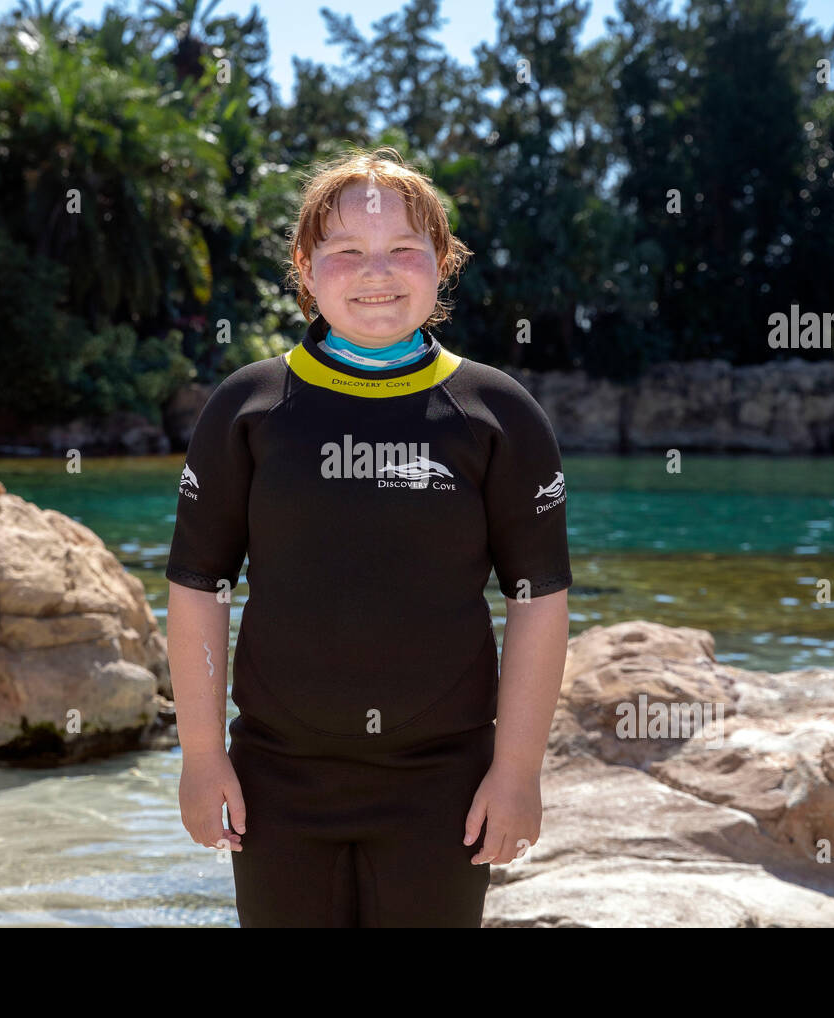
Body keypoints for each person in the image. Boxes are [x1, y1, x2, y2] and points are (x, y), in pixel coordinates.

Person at [165, 146, 572, 927]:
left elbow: (538, 600)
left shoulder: (498, 412)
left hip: (442, 784)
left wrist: (517, 770)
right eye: (346, 251)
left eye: (403, 251)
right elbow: (197, 587)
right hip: (277, 780)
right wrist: (202, 755)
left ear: (443, 264)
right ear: (305, 268)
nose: (375, 272)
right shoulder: (248, 407)